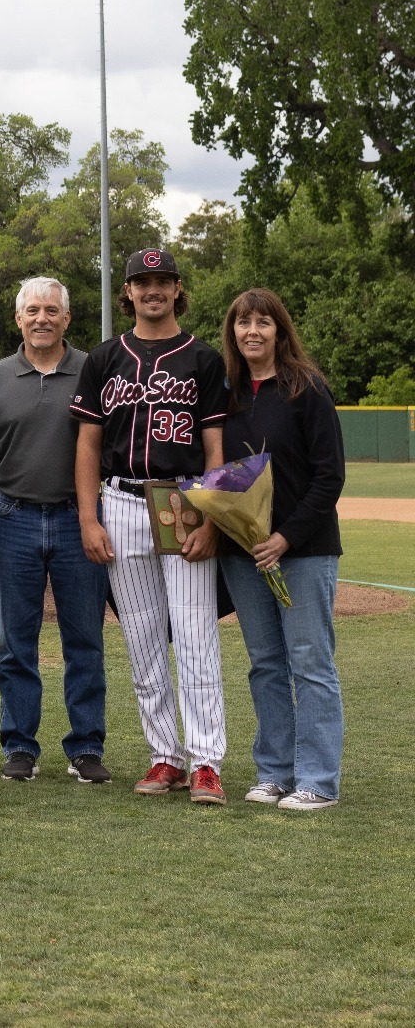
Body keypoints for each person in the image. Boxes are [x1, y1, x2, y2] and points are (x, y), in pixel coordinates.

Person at [72, 248, 230, 804]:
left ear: (177, 288)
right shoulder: (103, 359)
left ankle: (206, 761)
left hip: (184, 498)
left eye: (163, 280)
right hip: (119, 501)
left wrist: (211, 517)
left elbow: (214, 446)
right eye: (143, 281)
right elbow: (88, 443)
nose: (153, 289)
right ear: (130, 292)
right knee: (141, 640)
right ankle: (166, 755)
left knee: (194, 635)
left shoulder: (203, 358)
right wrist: (89, 516)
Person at [0, 277, 112, 785]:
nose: (42, 318)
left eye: (52, 310)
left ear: (67, 319)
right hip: (13, 517)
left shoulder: (93, 371)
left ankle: (86, 746)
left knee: (85, 639)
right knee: (15, 642)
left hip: (80, 520)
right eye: (32, 310)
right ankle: (20, 746)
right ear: (19, 319)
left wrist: (93, 517)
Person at [216, 288, 345, 811]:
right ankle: (274, 771)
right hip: (243, 553)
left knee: (310, 662)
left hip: (304, 550)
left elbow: (330, 476)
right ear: (232, 332)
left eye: (263, 323)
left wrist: (285, 536)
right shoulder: (226, 395)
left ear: (280, 330)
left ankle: (317, 780)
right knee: (266, 663)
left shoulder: (306, 389)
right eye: (243, 323)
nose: (252, 332)